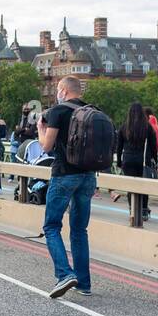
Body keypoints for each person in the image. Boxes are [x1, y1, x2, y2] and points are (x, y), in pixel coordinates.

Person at [37, 75, 104, 298]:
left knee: (51, 226)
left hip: (65, 174)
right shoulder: (93, 110)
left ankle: (65, 274)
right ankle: (83, 283)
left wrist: (40, 129)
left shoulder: (59, 111)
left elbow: (46, 147)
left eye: (58, 89)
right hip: (88, 176)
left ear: (64, 91)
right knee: (79, 230)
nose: (57, 93)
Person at [112, 101, 156, 220]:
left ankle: (132, 209)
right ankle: (144, 210)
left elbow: (119, 147)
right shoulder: (147, 127)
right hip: (143, 161)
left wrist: (120, 162)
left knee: (131, 187)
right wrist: (154, 161)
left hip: (128, 160)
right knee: (143, 186)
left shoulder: (124, 127)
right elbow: (153, 146)